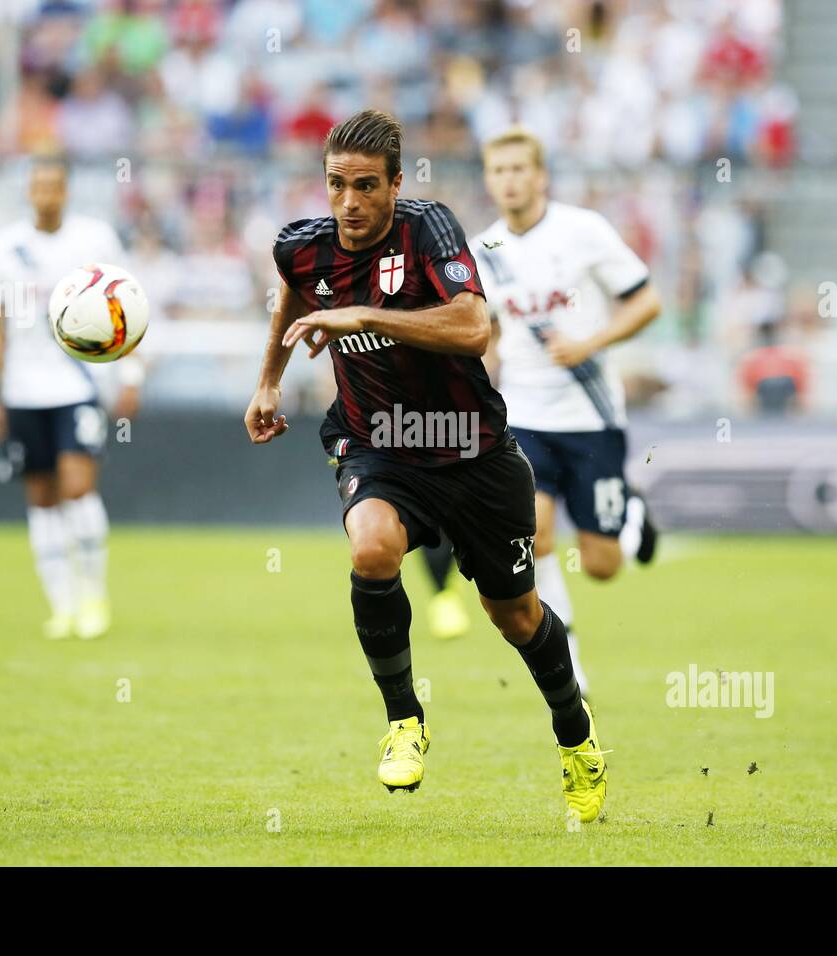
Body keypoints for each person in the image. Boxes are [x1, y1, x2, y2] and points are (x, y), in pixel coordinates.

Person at [244, 110, 608, 822]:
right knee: (372, 547)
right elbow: (295, 288)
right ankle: (404, 719)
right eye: (337, 185)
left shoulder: (427, 230)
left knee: (517, 616)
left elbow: (473, 326)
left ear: (395, 184)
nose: (349, 202)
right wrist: (268, 380)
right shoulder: (302, 246)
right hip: (376, 442)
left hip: (472, 450)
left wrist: (365, 317)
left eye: (366, 187)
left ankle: (576, 737)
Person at [470, 127, 664, 694]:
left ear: (540, 175)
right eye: (497, 170)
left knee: (602, 565)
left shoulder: (584, 231)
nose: (508, 180)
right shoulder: (484, 252)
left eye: (517, 169)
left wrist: (592, 343)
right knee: (536, 537)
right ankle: (569, 661)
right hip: (526, 417)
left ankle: (630, 516)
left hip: (592, 415)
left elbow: (647, 301)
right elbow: (487, 333)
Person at [0, 155, 143, 640]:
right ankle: (62, 605)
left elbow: (127, 309)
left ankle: (94, 596)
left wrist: (129, 374)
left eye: (55, 184)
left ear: (66, 190)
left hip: (78, 385)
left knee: (77, 487)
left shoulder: (95, 241)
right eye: (39, 185)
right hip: (21, 390)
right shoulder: (2, 249)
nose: (47, 193)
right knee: (42, 498)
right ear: (29, 190)